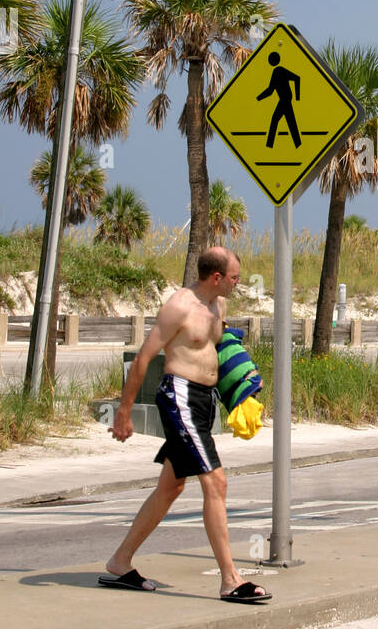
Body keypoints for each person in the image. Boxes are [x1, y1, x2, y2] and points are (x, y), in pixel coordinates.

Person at [104, 246, 270, 603]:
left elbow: (220, 351)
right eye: (235, 277)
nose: (238, 283)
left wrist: (241, 391)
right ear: (217, 277)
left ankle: (120, 561)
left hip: (202, 400)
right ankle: (230, 580)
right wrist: (124, 412)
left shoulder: (218, 306)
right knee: (216, 482)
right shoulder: (180, 306)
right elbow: (144, 359)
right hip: (178, 396)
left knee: (171, 487)